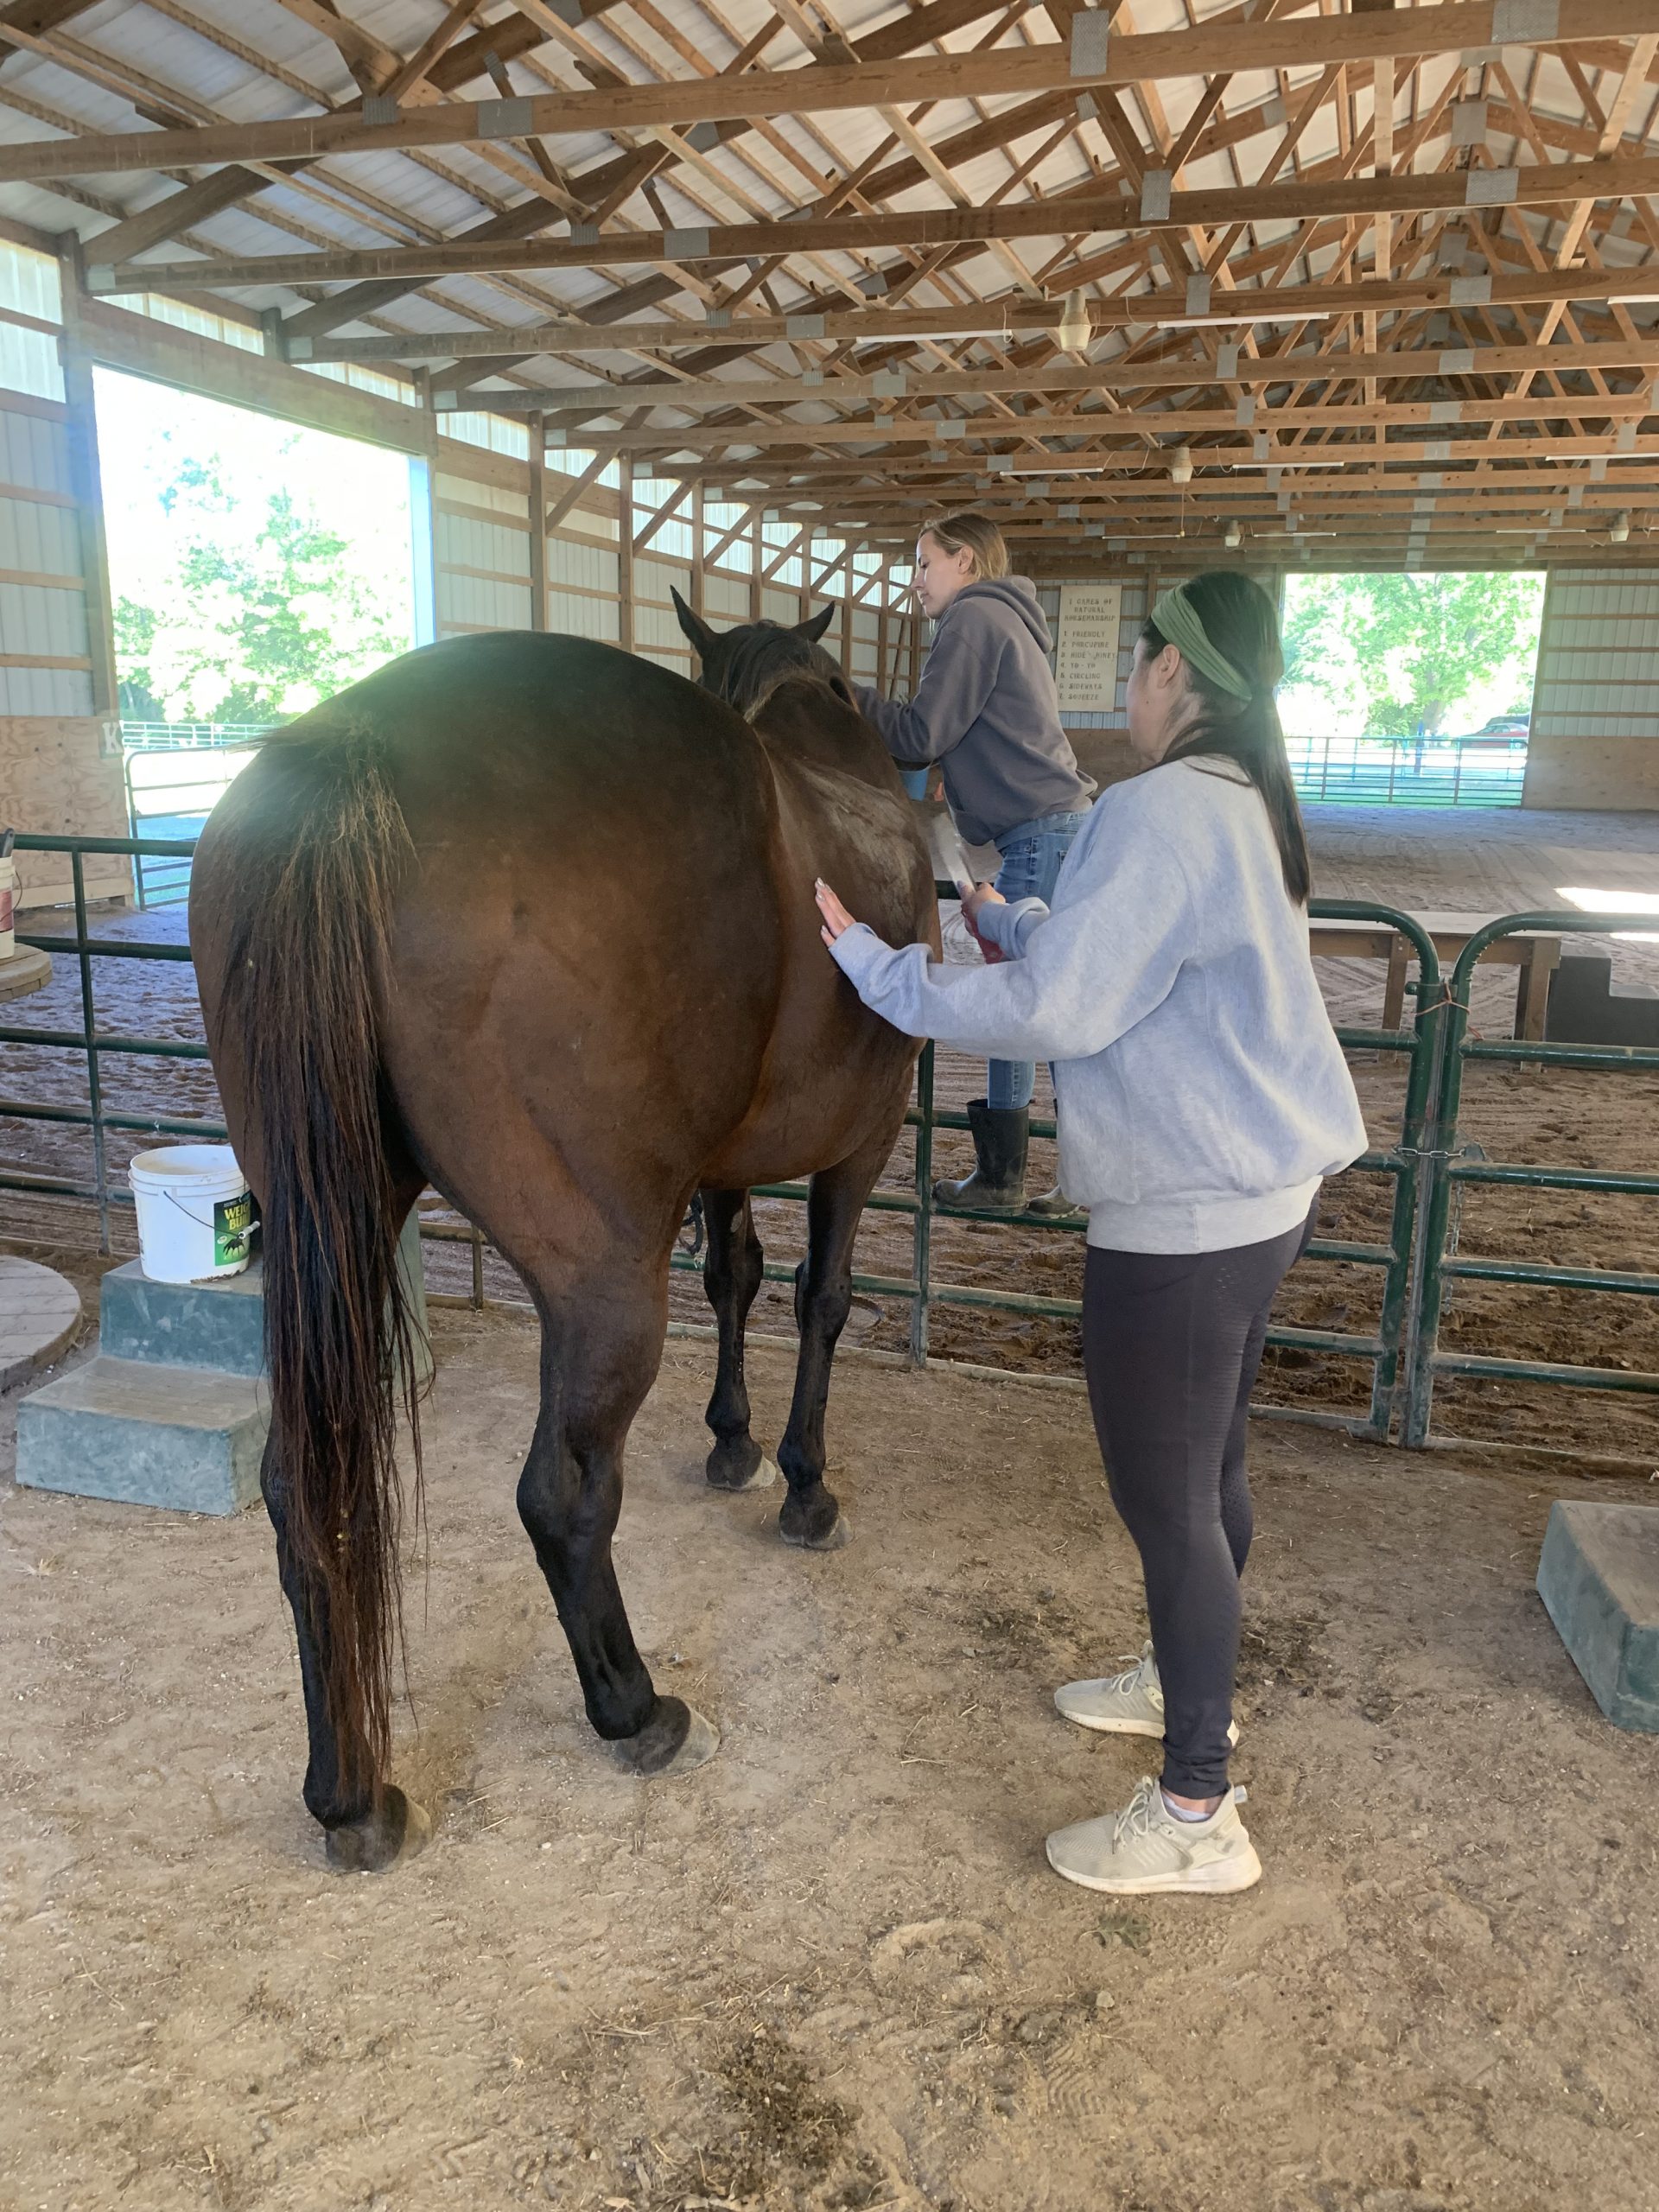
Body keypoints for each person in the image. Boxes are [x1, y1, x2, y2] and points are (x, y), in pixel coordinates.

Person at [816, 570, 1366, 1897]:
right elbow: (1131, 963)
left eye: (1142, 660)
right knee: (1208, 1472)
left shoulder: (1161, 804)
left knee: (1165, 1501)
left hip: (1185, 1209)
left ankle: (1193, 1812)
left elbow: (1064, 1013)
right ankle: (1192, 1688)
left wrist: (883, 973)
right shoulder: (1241, 804)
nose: (1129, 681)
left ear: (1177, 679)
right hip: (1257, 1191)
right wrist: (1015, 921)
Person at [853, 512, 1096, 1215]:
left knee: (1020, 999)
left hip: (1038, 832)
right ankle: (1071, 1175)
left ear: (964, 561)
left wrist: (846, 695)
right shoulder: (1008, 618)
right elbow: (974, 729)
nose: (916, 581)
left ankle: (1003, 1178)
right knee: (1052, 999)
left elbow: (921, 733)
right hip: (1055, 826)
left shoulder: (973, 619)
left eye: (924, 563)